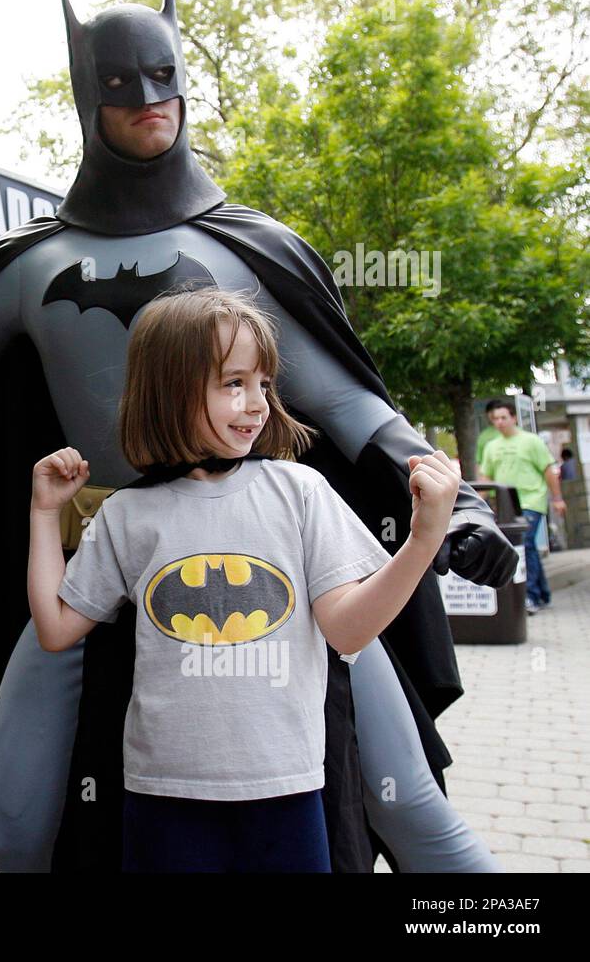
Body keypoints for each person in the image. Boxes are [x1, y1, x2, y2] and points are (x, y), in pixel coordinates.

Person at [0, 0, 512, 872]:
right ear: (87, 96)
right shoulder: (33, 264)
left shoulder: (245, 251)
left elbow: (349, 402)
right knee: (19, 829)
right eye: (122, 84)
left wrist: (449, 497)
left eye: (165, 79)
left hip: (273, 553)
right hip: (105, 549)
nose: (151, 99)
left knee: (415, 810)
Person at [26, 289, 460, 872]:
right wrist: (43, 514)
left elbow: (348, 631)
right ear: (171, 388)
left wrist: (422, 539)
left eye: (263, 384)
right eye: (233, 383)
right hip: (162, 790)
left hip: (287, 783)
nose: (256, 403)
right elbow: (55, 629)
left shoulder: (299, 492)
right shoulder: (130, 516)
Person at [480, 399, 565, 613]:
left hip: (531, 502)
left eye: (503, 418)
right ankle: (543, 593)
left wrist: (557, 499)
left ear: (514, 418)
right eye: (495, 419)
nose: (499, 422)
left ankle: (531, 596)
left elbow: (548, 470)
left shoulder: (532, 441)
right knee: (528, 548)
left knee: (525, 546)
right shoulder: (492, 447)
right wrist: (478, 503)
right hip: (506, 505)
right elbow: (486, 477)